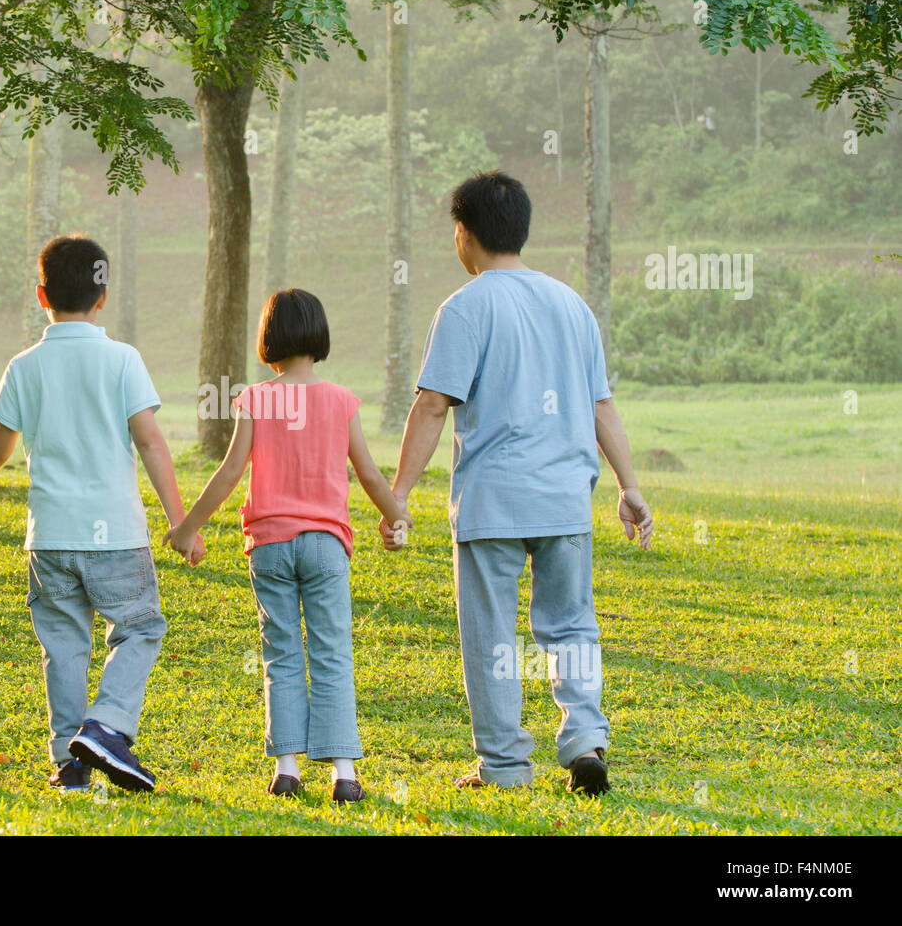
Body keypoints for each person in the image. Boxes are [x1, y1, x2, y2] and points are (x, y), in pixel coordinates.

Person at [384, 171, 653, 796]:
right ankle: (586, 738)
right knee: (571, 625)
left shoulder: (465, 307)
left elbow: (431, 407)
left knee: (491, 635)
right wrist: (629, 485)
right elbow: (600, 407)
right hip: (565, 500)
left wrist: (397, 495)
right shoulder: (570, 305)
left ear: (465, 233)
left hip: (491, 504)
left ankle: (505, 765)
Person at [0, 234, 195, 795]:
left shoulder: (25, 365)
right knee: (139, 627)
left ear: (42, 294)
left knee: (63, 645)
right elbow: (152, 443)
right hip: (117, 535)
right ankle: (107, 724)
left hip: (51, 537)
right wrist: (179, 520)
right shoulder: (122, 359)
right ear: (102, 295)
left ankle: (71, 764)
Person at [166, 289, 411, 803]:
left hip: (271, 545)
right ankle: (344, 772)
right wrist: (397, 515)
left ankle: (287, 768)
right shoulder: (342, 400)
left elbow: (232, 471)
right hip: (326, 545)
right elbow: (367, 472)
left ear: (269, 339)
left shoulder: (256, 398)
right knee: (332, 654)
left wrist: (188, 527)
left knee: (280, 655)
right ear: (318, 337)